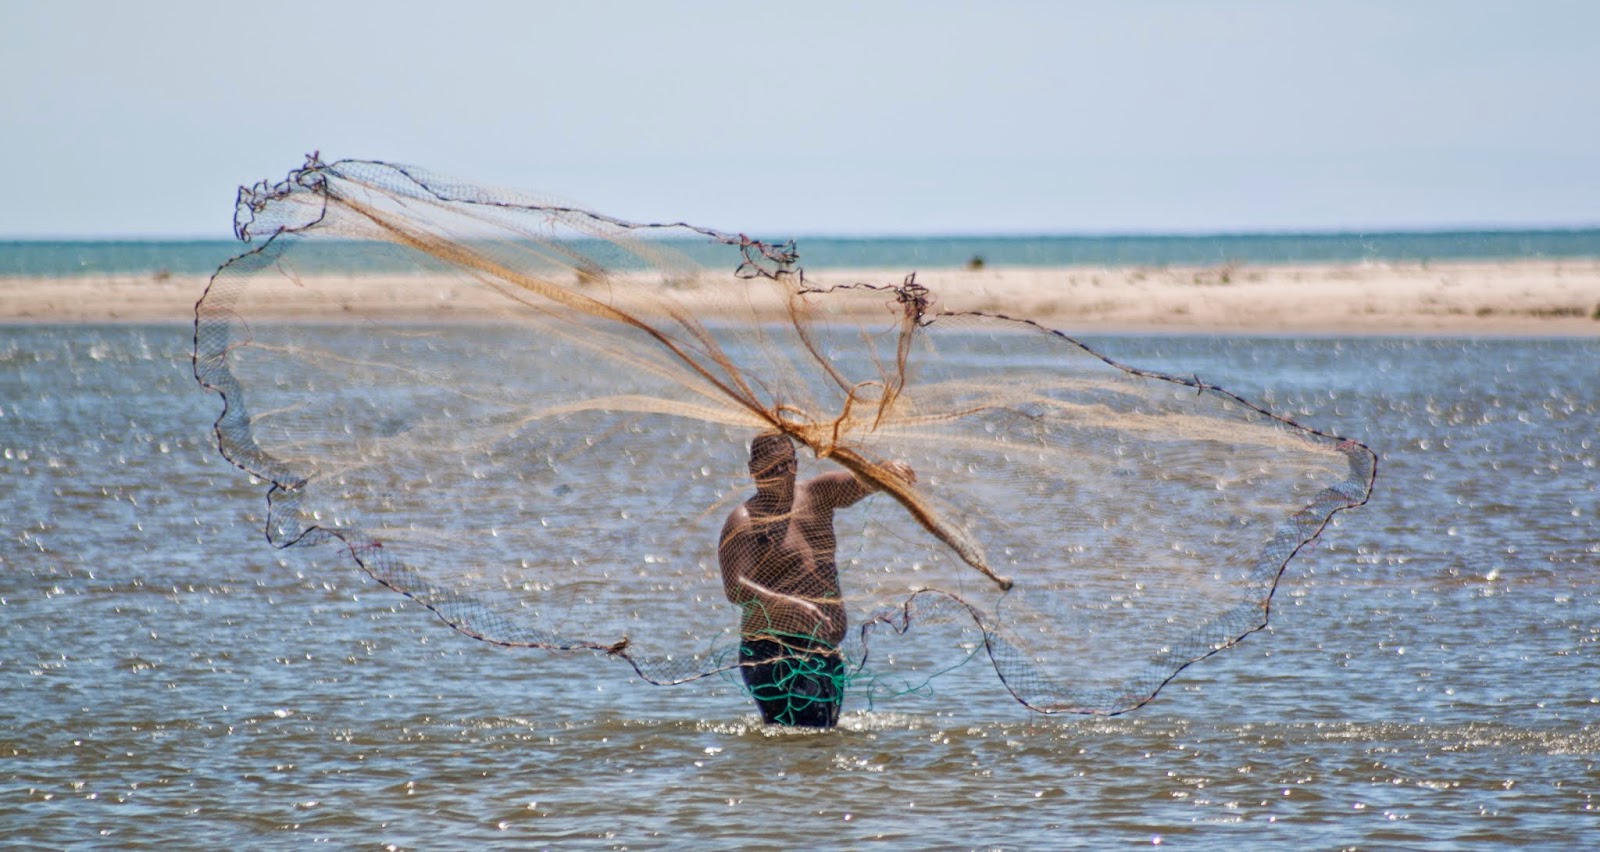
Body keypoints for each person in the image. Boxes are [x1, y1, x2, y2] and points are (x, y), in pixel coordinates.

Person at [718, 432, 914, 728]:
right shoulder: (745, 520)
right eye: (769, 470)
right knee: (807, 735)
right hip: (772, 650)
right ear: (753, 470)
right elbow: (735, 588)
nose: (778, 476)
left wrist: (887, 471)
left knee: (823, 738)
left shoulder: (817, 496)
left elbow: (859, 483)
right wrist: (789, 605)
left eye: (784, 466)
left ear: (795, 464)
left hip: (825, 649)